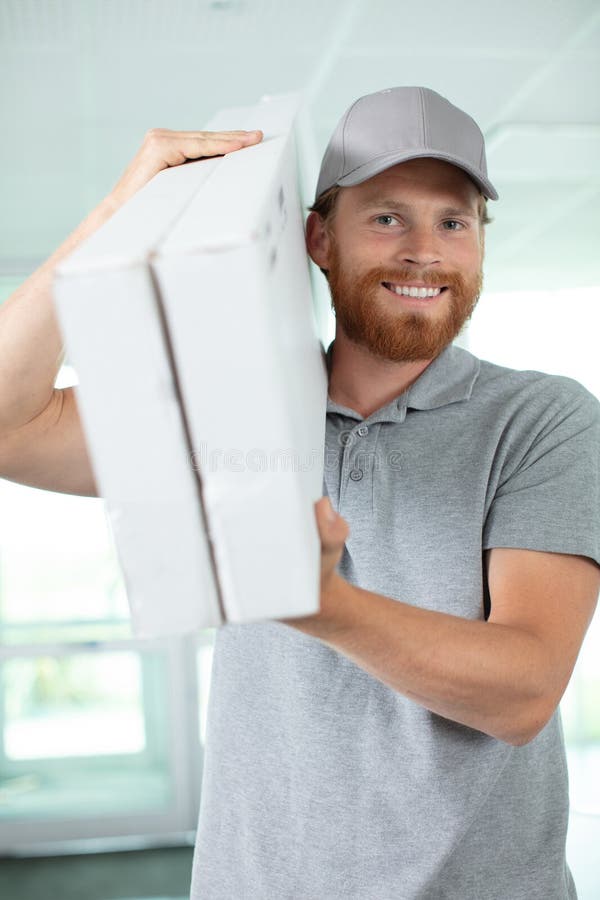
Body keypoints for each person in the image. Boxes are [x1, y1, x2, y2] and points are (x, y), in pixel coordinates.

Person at [0, 85, 598, 899]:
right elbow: (9, 424)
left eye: (453, 222)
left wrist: (312, 600)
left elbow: (524, 691)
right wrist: (123, 212)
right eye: (387, 217)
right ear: (319, 238)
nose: (424, 249)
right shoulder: (224, 411)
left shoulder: (541, 418)